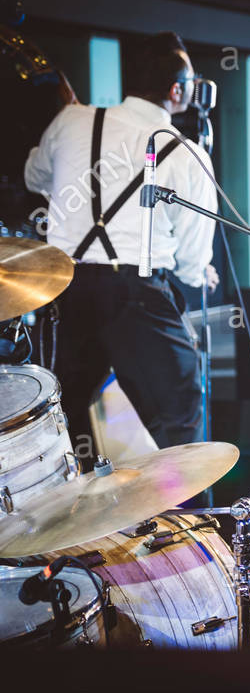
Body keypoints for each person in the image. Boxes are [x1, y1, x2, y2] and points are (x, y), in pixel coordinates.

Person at [24, 30, 217, 455]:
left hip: (64, 289)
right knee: (179, 417)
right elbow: (190, 260)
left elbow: (33, 176)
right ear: (177, 90)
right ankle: (194, 519)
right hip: (138, 295)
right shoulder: (186, 153)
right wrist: (198, 271)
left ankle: (74, 517)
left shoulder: (73, 120)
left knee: (60, 415)